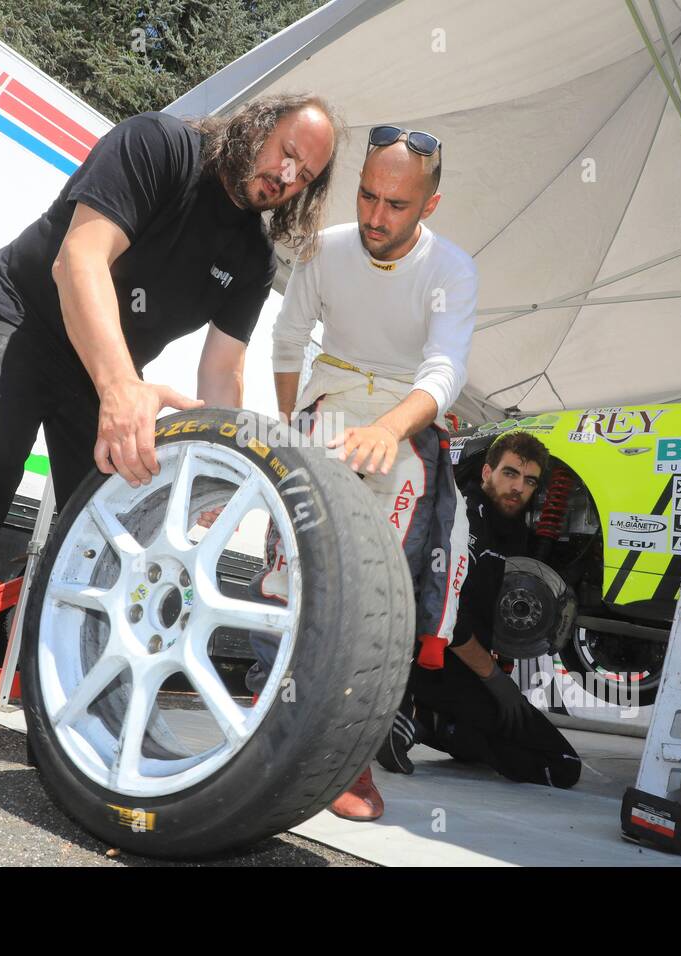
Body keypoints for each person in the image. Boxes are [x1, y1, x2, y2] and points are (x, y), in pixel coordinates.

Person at [0, 94, 342, 817]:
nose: (289, 176)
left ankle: (84, 727)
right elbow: (80, 260)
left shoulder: (254, 256)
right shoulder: (158, 147)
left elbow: (221, 373)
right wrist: (119, 387)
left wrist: (222, 476)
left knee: (114, 556)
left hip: (108, 370)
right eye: (286, 152)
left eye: (307, 174)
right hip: (26, 324)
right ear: (256, 126)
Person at [266, 125, 478, 822]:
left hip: (403, 417)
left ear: (430, 206)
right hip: (329, 404)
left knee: (391, 575)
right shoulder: (323, 249)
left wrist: (389, 429)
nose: (374, 217)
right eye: (365, 196)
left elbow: (445, 370)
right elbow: (289, 338)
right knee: (300, 567)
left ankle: (351, 752)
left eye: (395, 204)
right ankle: (281, 733)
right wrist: (296, 427)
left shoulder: (452, 270)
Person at [377, 431, 582, 788]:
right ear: (487, 472)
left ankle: (424, 719)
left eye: (529, 480)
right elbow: (446, 618)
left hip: (456, 671)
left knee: (477, 748)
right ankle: (415, 709)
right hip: (435, 662)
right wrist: (494, 680)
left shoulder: (511, 527)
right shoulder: (465, 518)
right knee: (563, 766)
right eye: (509, 473)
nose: (518, 487)